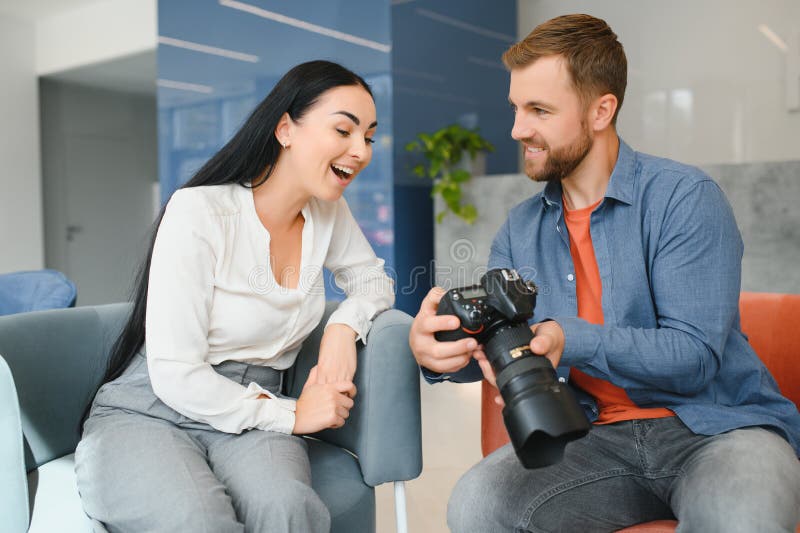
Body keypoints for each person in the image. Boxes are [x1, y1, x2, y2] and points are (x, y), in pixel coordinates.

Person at [409, 14, 800, 533]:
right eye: (516, 108)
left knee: (743, 516)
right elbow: (508, 344)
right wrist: (440, 354)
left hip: (718, 431)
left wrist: (571, 337)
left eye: (539, 110)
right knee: (476, 504)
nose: (517, 129)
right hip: (591, 440)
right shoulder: (519, 231)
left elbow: (694, 358)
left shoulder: (684, 199)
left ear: (601, 110)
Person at [75, 60, 394, 533]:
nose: (360, 151)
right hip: (152, 407)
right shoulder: (200, 210)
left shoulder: (328, 212)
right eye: (344, 131)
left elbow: (373, 281)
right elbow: (176, 373)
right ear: (285, 129)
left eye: (368, 137)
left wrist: (343, 329)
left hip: (255, 403)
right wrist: (293, 413)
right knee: (199, 520)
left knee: (288, 508)